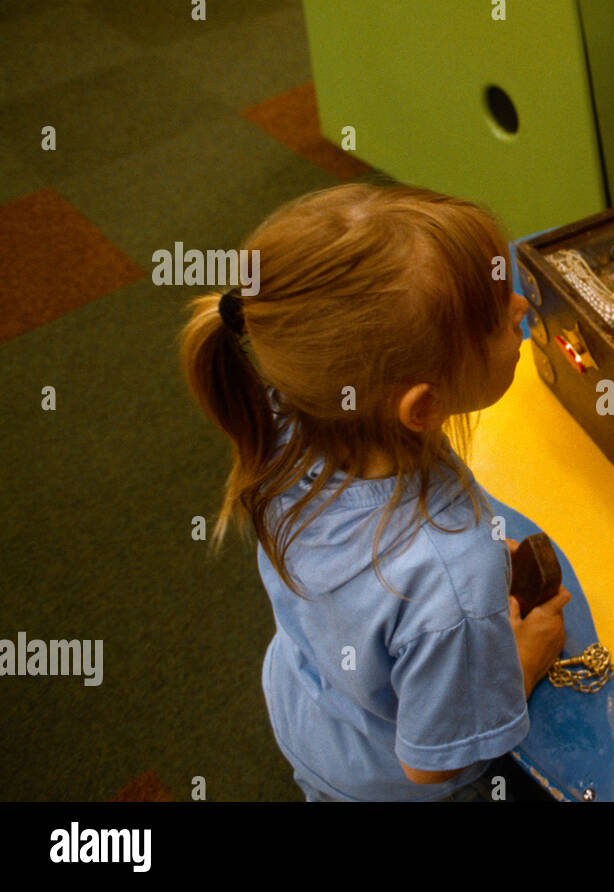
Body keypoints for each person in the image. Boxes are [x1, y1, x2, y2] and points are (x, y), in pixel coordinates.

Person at [178, 183, 569, 801]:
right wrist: (524, 659)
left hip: (310, 713)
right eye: (497, 317)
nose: (522, 305)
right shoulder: (451, 572)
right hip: (394, 783)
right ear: (422, 404)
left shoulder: (285, 417)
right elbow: (432, 763)